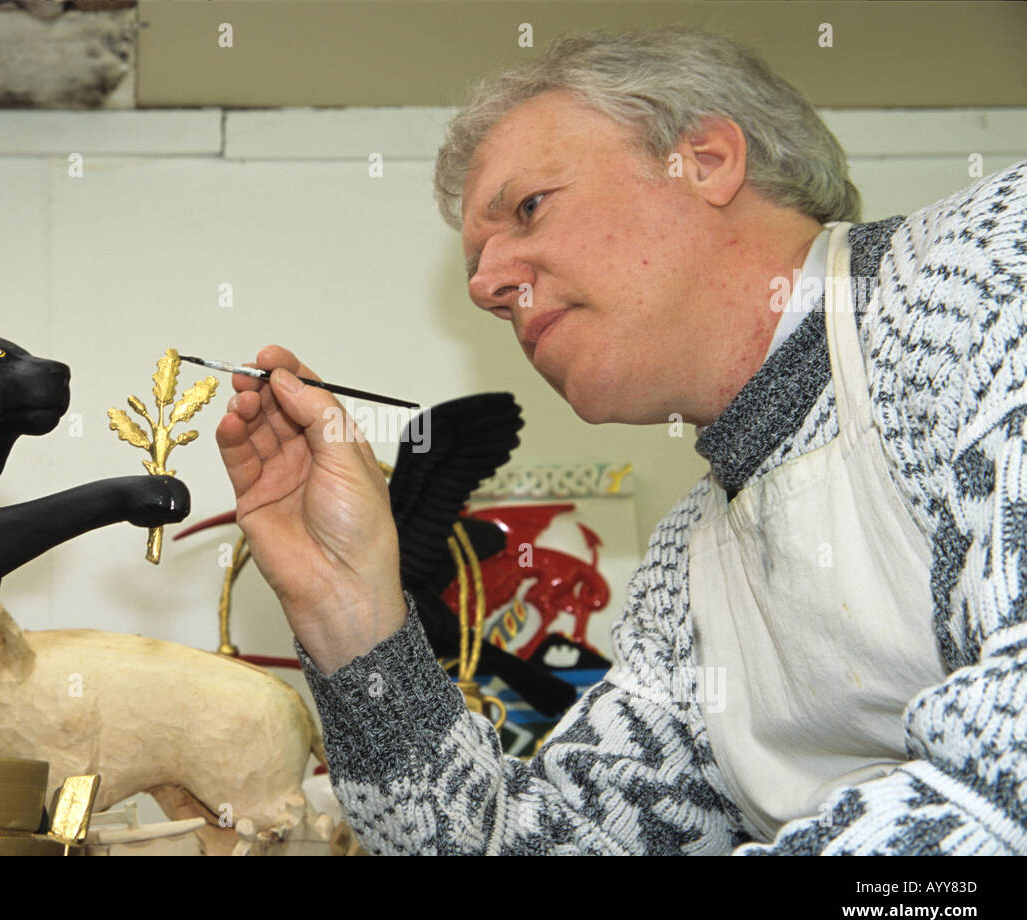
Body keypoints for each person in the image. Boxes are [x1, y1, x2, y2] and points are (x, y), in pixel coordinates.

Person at [214, 28, 1027, 855]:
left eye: (529, 207)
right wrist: (348, 610)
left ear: (707, 159)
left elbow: (1005, 794)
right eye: (480, 268)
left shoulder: (992, 264)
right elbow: (517, 847)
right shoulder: (686, 578)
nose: (487, 286)